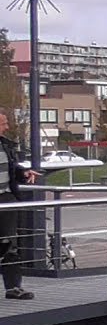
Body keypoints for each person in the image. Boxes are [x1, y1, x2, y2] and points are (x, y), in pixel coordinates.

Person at [0, 110, 39, 299]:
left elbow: (11, 167)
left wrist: (23, 173)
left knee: (9, 244)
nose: (6, 127)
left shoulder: (5, 145)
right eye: (3, 123)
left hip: (6, 198)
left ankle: (13, 287)